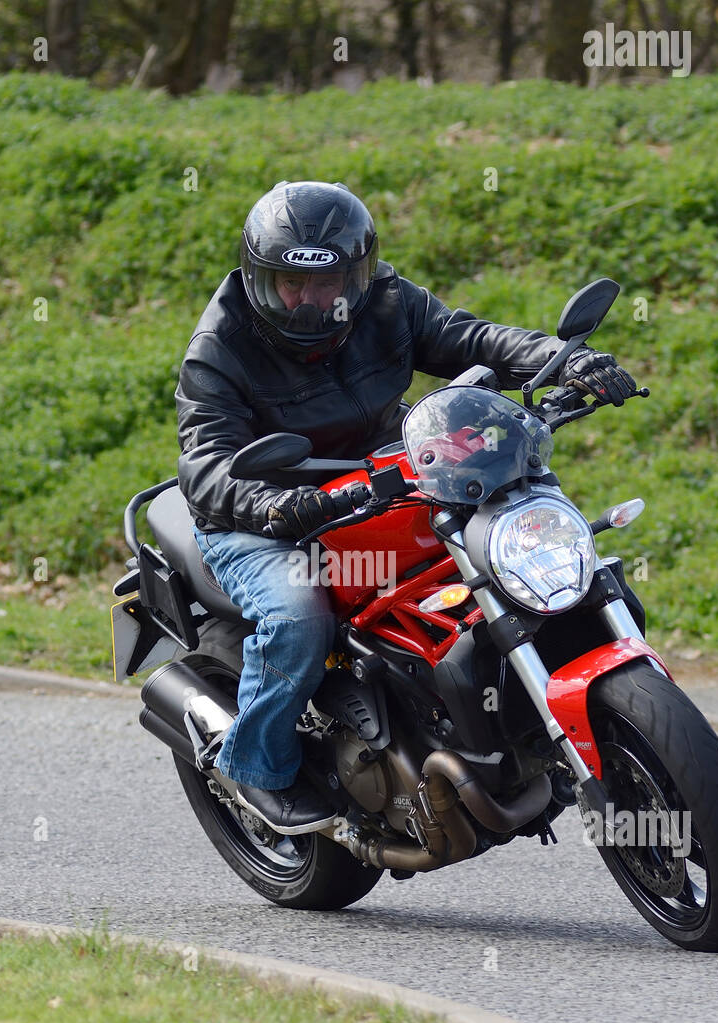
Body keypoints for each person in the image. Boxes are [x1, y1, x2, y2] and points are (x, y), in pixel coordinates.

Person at [174, 180, 635, 830]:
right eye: (290, 283)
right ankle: (256, 769)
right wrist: (277, 507)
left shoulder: (387, 303)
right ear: (259, 275)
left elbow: (471, 341)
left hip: (381, 468)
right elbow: (207, 467)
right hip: (264, 508)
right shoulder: (219, 350)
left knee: (502, 541)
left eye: (327, 281)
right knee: (301, 621)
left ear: (356, 277)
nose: (309, 300)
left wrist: (566, 362)